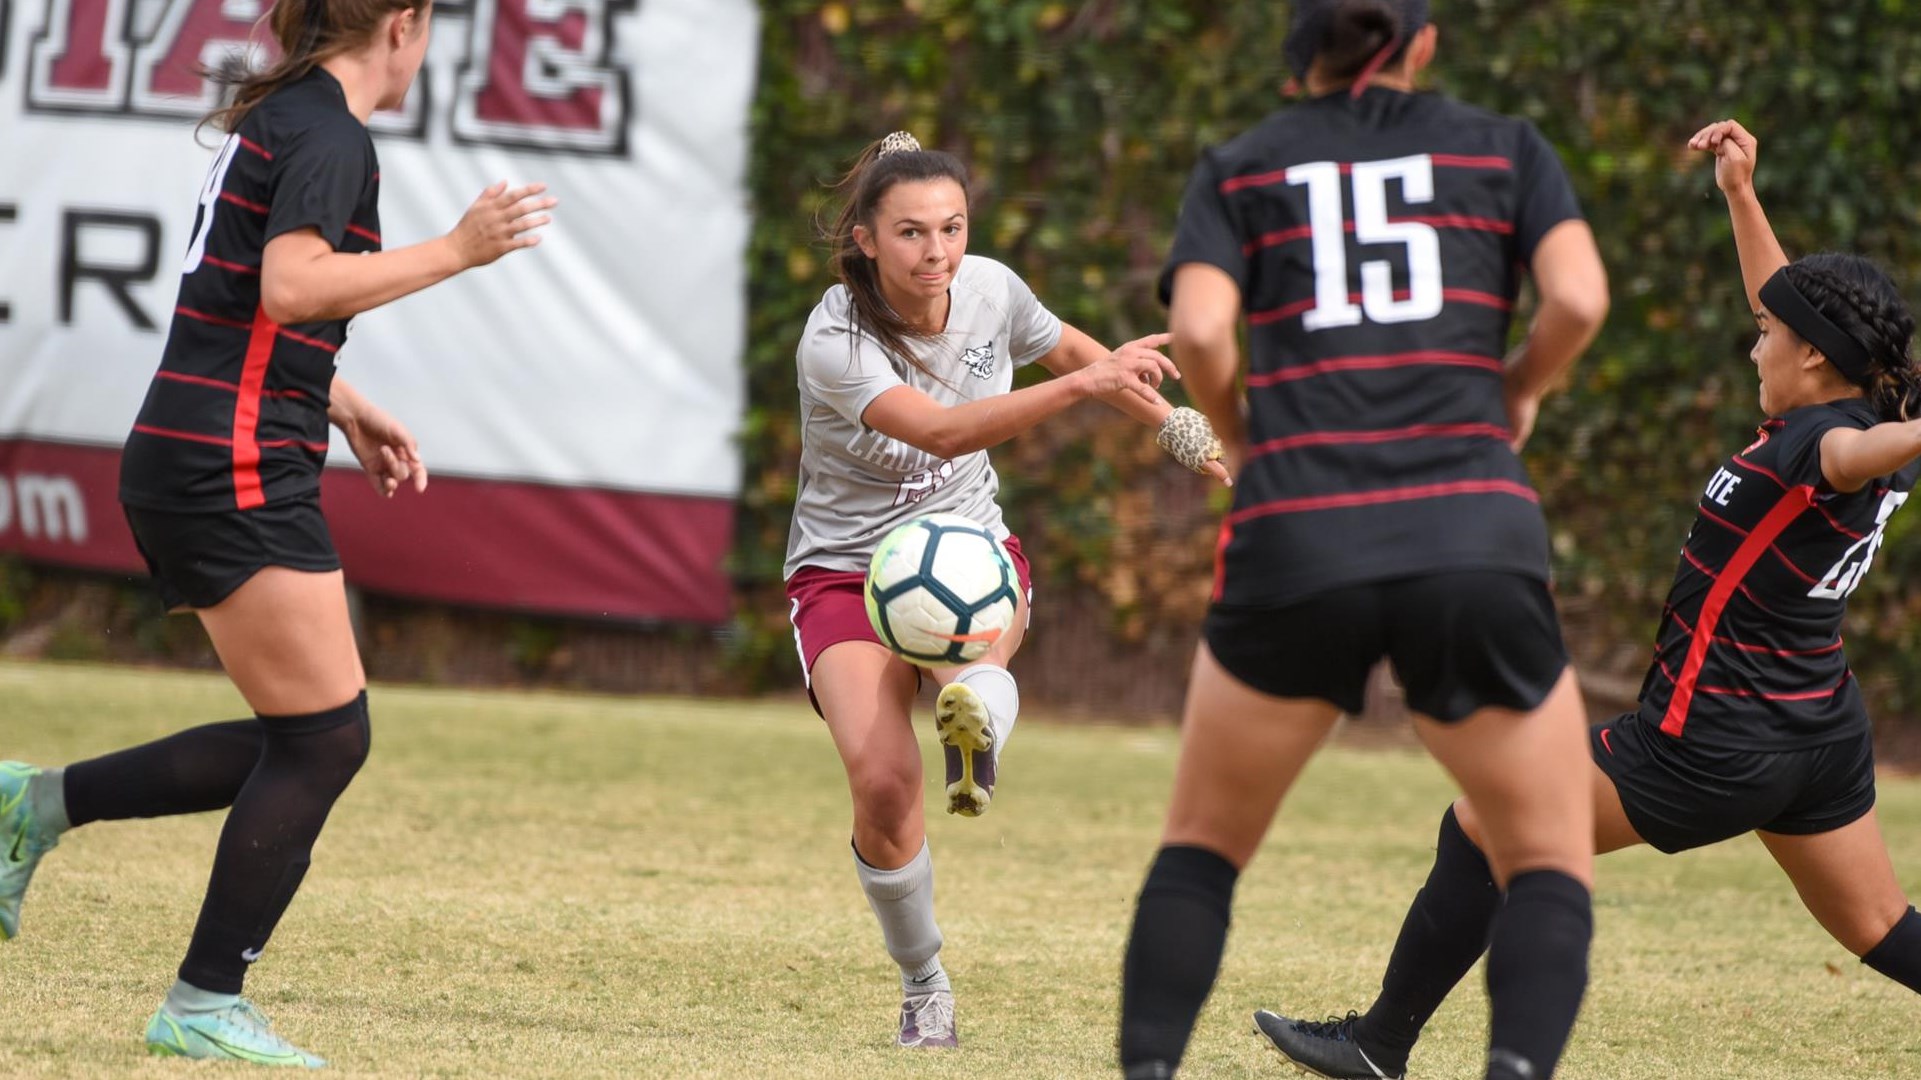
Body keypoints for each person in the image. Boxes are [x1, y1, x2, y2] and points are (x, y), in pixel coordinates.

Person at [1254, 117, 1921, 1077]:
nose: (1754, 344)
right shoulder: (1842, 405)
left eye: (1767, 335)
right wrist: (1739, 194)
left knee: (1484, 826)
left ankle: (1375, 1046)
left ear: (1815, 357)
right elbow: (1798, 327)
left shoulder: (1835, 446)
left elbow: (1860, 457)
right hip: (1813, 727)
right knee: (1875, 924)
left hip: (1712, 741)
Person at [0, 0, 554, 1064]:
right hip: (229, 463)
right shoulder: (328, 131)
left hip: (205, 446)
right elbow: (291, 285)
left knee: (308, 736)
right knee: (326, 739)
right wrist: (458, 249)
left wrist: (341, 402)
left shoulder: (288, 112)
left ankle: (36, 806)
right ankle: (201, 1000)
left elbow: (242, 305)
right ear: (402, 23)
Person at [1115, 1, 1612, 1077]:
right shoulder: (1505, 147)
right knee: (1543, 858)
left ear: (1301, 49)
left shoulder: (1240, 165)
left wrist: (1247, 430)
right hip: (1468, 529)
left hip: (1298, 530)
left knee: (1202, 850)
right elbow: (1578, 296)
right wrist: (1516, 388)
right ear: (1422, 41)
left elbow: (1199, 329)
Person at [784, 130, 1229, 1050]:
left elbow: (1073, 353)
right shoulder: (835, 337)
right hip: (847, 568)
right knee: (881, 784)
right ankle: (925, 983)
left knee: (976, 666)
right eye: (909, 233)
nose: (936, 252)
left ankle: (976, 713)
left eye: (951, 228)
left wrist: (1180, 431)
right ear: (865, 238)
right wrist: (1088, 387)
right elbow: (944, 433)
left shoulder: (990, 288)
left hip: (967, 548)